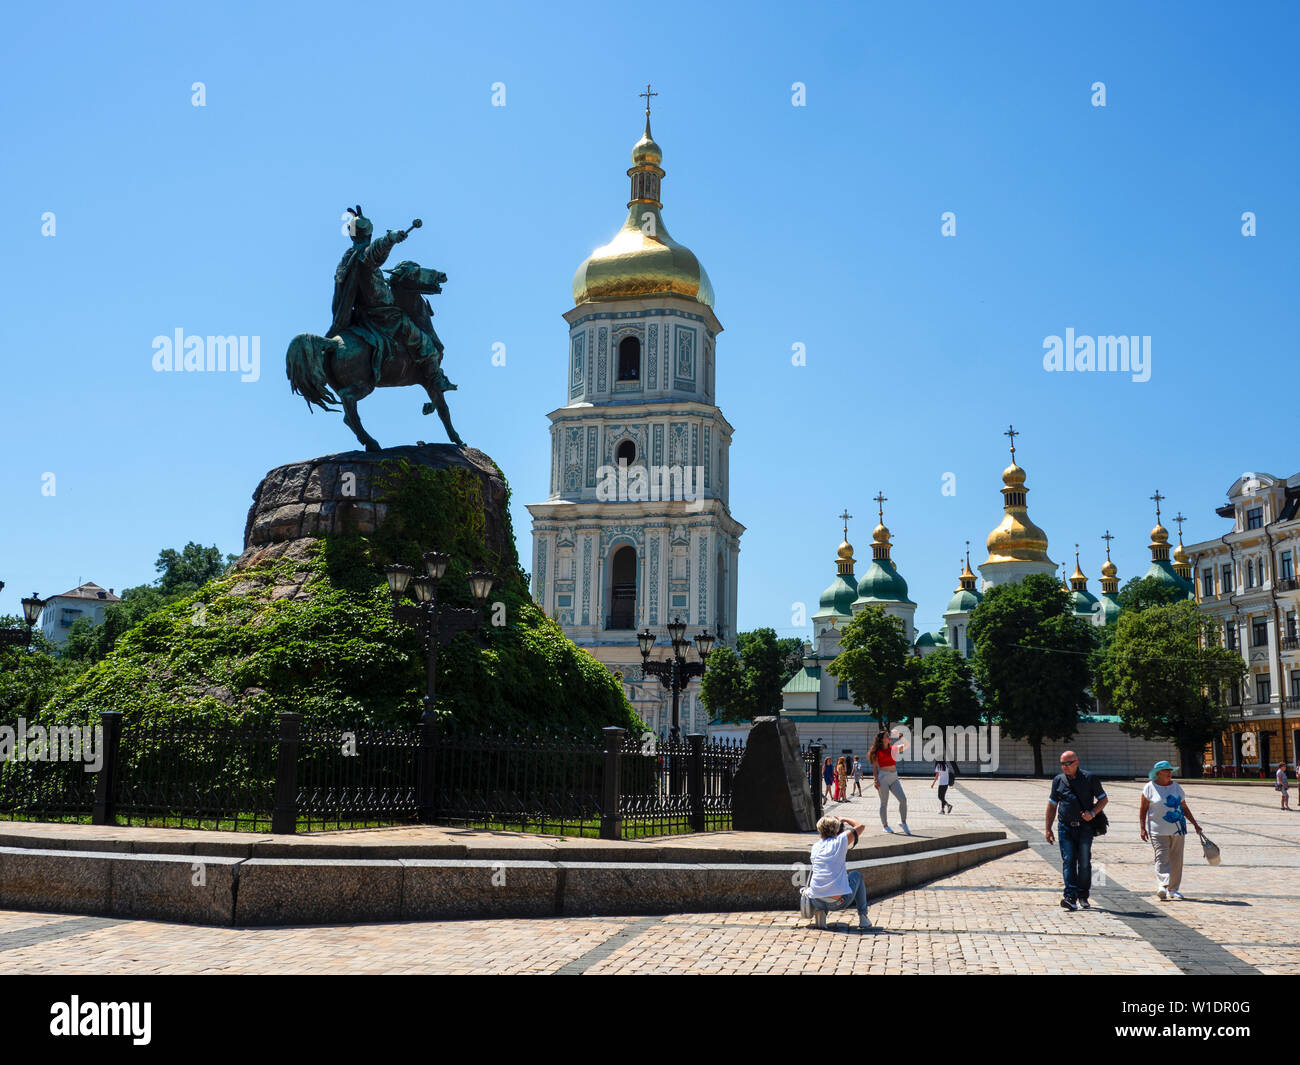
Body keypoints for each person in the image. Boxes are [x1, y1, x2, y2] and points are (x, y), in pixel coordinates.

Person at [1045, 749, 1108, 911]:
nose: (1065, 767)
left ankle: (1083, 895)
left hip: (1085, 828)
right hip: (1064, 828)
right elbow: (1052, 805)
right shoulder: (1058, 780)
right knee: (1068, 861)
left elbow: (1103, 799)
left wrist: (1092, 813)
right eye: (1062, 764)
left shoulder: (1089, 778)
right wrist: (1048, 828)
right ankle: (1070, 896)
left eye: (1068, 763)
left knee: (1085, 863)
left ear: (1076, 763)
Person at [1139, 760, 1202, 901]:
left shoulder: (1176, 787)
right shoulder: (1149, 787)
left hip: (1178, 829)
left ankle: (1173, 890)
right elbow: (1143, 810)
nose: (1169, 773)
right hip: (1157, 830)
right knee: (1161, 857)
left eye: (1170, 770)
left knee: (1176, 860)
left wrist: (1195, 824)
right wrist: (1142, 828)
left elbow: (1184, 807)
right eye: (1166, 770)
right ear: (1158, 773)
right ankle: (1162, 885)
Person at [798, 814, 871, 931]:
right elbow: (860, 826)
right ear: (837, 828)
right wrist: (844, 818)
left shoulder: (815, 847)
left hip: (816, 900)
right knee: (856, 875)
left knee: (824, 879)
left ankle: (821, 911)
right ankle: (863, 917)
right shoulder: (840, 840)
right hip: (838, 902)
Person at [869, 729, 909, 835]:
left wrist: (899, 735)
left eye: (889, 736)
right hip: (883, 778)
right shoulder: (877, 752)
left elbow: (907, 745)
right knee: (884, 803)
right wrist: (875, 780)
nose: (889, 737)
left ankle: (903, 822)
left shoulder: (893, 749)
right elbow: (874, 768)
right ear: (882, 739)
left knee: (903, 799)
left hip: (894, 777)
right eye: (887, 736)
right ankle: (885, 826)